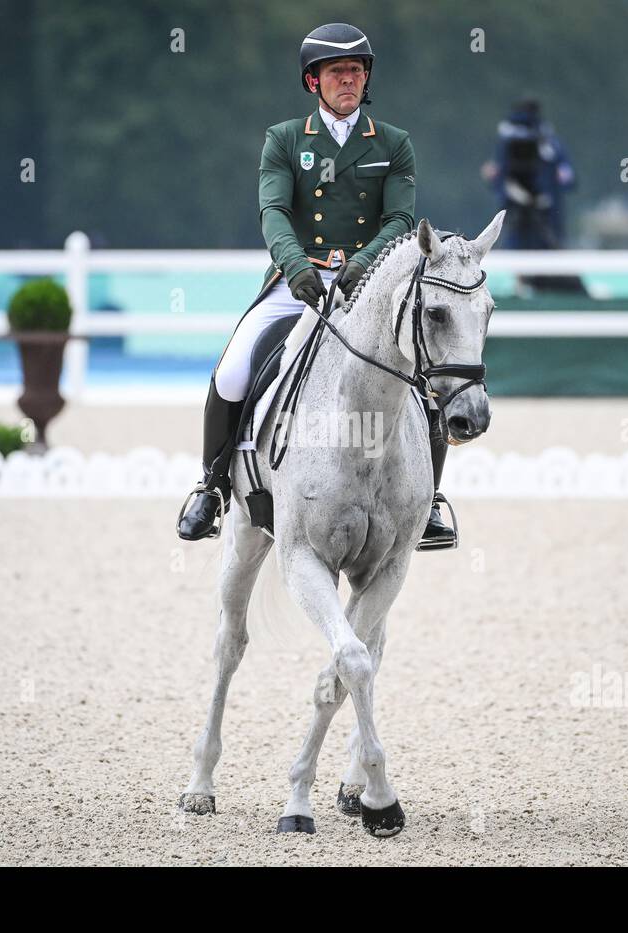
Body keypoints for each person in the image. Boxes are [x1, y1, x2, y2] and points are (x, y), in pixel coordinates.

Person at [175, 22, 457, 549]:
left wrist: (365, 264)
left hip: (368, 283)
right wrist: (295, 264)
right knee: (233, 370)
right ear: (314, 82)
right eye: (336, 72)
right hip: (297, 278)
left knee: (423, 379)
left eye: (355, 70)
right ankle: (211, 485)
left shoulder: (393, 144)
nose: (347, 79)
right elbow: (274, 210)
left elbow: (399, 219)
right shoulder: (284, 139)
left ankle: (432, 500)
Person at [482, 98, 576, 250]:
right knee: (548, 252)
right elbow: (568, 178)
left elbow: (498, 177)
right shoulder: (549, 141)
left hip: (515, 207)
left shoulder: (507, 142)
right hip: (545, 209)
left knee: (515, 249)